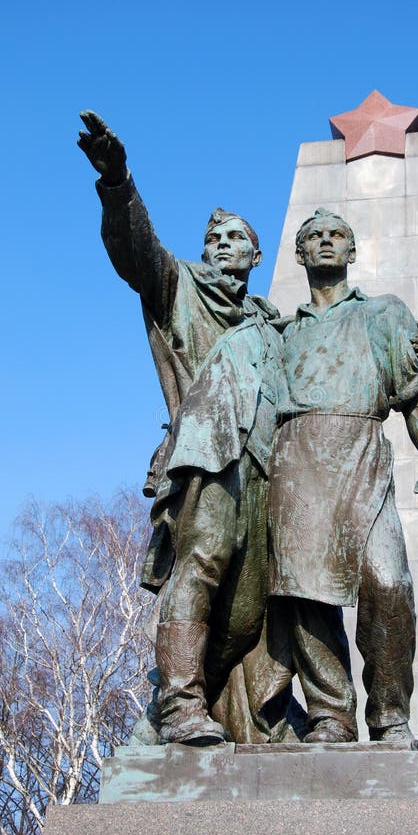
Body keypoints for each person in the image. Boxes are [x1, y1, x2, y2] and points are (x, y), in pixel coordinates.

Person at [78, 111, 290, 746]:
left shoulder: (273, 326)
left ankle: (251, 710)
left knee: (254, 604)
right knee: (200, 565)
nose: (221, 245)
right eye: (213, 237)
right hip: (205, 452)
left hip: (263, 465)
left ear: (257, 255)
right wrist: (118, 182)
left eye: (234, 237)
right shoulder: (180, 289)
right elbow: (134, 251)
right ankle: (177, 704)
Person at [268, 208, 418, 746]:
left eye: (337, 236)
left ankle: (390, 716)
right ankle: (331, 715)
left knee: (389, 584)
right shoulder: (281, 332)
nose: (326, 242)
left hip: (362, 459)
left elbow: (415, 399)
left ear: (352, 250)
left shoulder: (382, 314)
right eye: (314, 238)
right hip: (294, 468)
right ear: (299, 254)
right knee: (305, 597)